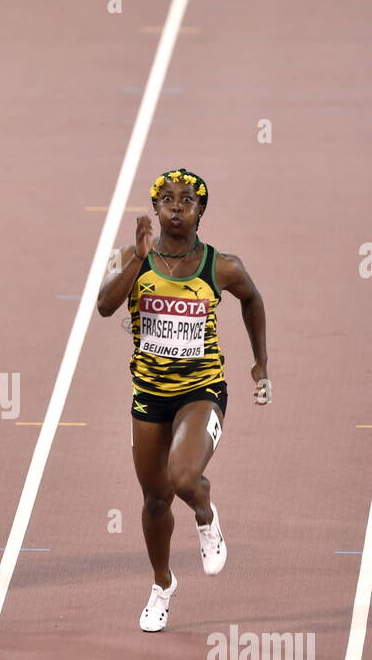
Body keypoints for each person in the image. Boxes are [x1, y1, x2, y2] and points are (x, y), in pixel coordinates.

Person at [97, 169, 270, 632]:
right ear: (155, 210)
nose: (177, 206)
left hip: (201, 390)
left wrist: (261, 364)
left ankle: (205, 513)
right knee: (155, 500)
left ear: (200, 211)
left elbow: (252, 299)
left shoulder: (221, 265)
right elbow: (105, 306)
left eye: (187, 200)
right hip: (149, 396)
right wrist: (135, 259)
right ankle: (162, 585)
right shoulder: (130, 258)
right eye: (167, 200)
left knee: (183, 476)